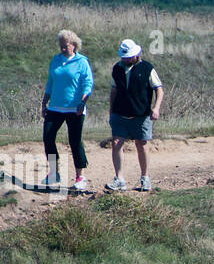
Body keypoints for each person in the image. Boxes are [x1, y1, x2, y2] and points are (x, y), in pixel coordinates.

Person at [105, 39, 163, 192]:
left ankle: (145, 177)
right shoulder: (117, 69)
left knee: (141, 144)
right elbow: (113, 91)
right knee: (116, 143)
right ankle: (119, 179)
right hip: (120, 113)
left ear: (136, 55)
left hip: (141, 114)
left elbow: (159, 89)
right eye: (123, 57)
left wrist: (156, 108)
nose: (125, 60)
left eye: (128, 57)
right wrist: (111, 111)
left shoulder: (147, 68)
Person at [42, 29, 94, 194]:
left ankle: (80, 176)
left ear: (73, 45)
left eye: (65, 46)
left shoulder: (82, 62)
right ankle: (53, 172)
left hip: (75, 108)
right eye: (61, 46)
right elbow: (50, 82)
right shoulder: (55, 60)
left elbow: (88, 83)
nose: (62, 49)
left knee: (74, 141)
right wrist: (44, 103)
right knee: (48, 137)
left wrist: (82, 102)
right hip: (55, 107)